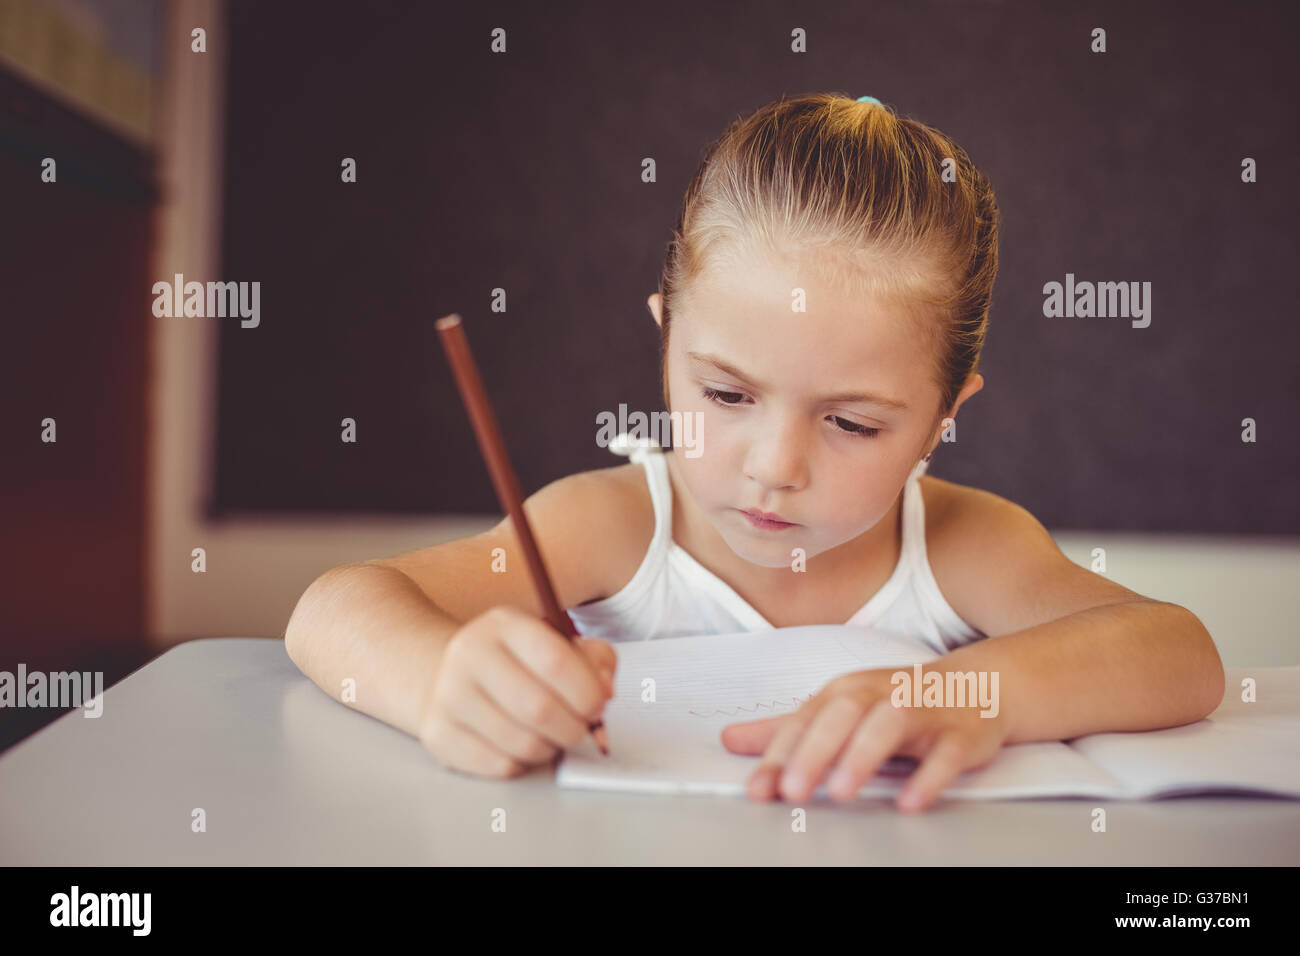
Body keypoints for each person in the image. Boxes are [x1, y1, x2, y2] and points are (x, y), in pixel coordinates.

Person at [285, 93, 1224, 813]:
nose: (775, 464)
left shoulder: (963, 543)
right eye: (727, 396)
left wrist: (979, 694)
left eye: (853, 423)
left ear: (946, 417)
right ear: (664, 342)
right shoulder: (614, 524)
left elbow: (1179, 654)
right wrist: (440, 685)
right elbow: (333, 609)